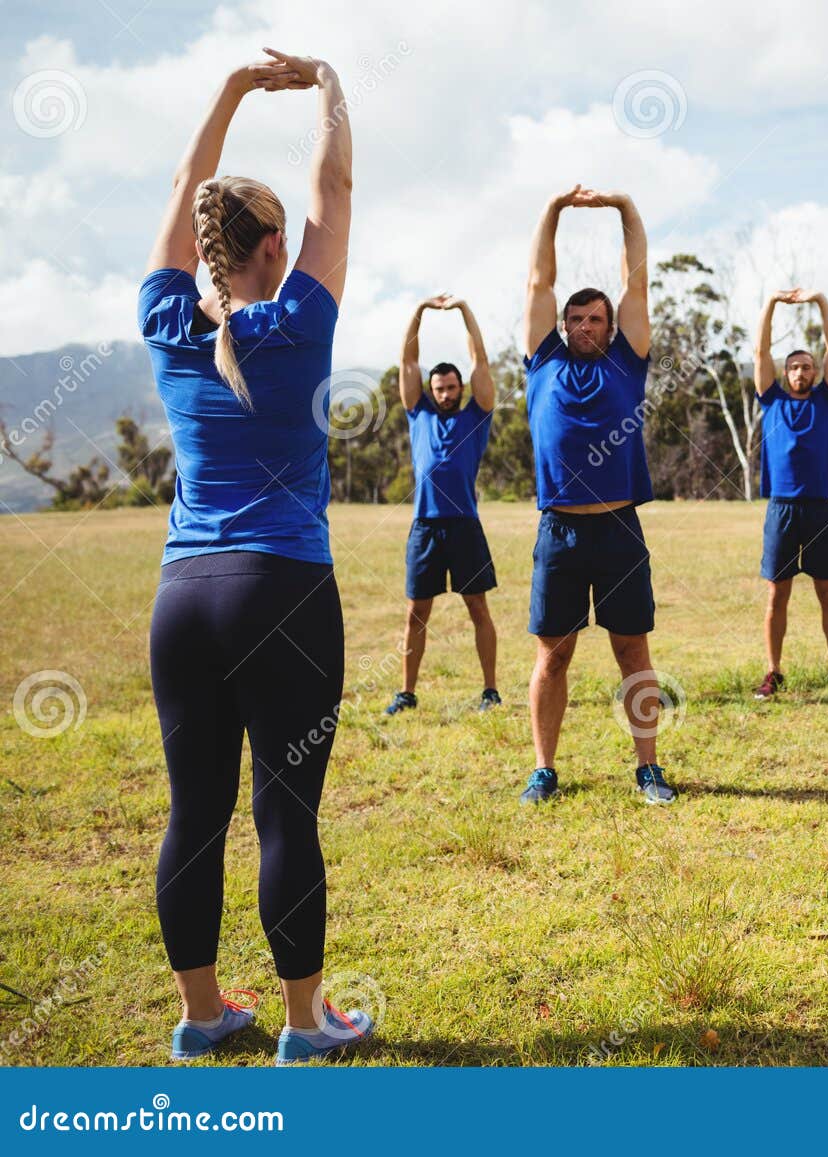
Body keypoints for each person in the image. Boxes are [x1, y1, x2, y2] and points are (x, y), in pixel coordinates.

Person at [139, 51, 374, 1065]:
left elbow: (182, 191)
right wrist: (324, 84)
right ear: (275, 245)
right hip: (281, 589)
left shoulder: (164, 320)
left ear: (202, 243)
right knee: (286, 810)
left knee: (196, 809)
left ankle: (200, 1017)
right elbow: (340, 189)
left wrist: (231, 92)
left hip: (183, 595)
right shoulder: (299, 319)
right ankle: (304, 1023)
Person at [517, 185, 677, 806]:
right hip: (559, 531)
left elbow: (637, 281)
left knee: (632, 650)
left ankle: (648, 769)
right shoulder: (542, 360)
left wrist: (625, 209)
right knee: (552, 658)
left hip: (618, 529)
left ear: (611, 328)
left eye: (595, 319)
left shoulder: (625, 361)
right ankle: (544, 770)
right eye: (575, 319)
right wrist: (553, 207)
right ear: (562, 326)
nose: (584, 326)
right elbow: (538, 279)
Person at [383, 294, 501, 716]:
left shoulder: (477, 414)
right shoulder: (419, 413)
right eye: (440, 388)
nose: (446, 393)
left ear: (461, 389)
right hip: (425, 527)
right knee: (416, 613)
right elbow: (407, 362)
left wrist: (466, 310)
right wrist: (418, 311)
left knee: (477, 608)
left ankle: (491, 690)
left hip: (465, 525)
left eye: (452, 387)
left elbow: (481, 361)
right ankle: (407, 693)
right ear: (430, 392)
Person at [751, 288, 828, 699]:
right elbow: (759, 352)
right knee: (778, 595)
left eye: (806, 366)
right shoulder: (771, 399)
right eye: (793, 366)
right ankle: (773, 672)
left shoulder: (827, 399)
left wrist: (822, 301)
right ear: (785, 373)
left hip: (819, 509)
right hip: (781, 509)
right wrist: (772, 303)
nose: (799, 372)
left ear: (815, 372)